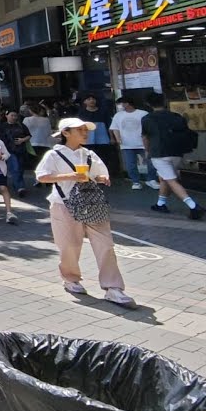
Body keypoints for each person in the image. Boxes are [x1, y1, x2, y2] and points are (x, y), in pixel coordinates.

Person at [35, 117, 136, 307]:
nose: (85, 133)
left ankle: (113, 288)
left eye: (85, 130)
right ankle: (71, 278)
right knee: (69, 245)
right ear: (65, 133)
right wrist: (70, 176)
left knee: (105, 244)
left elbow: (100, 173)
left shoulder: (89, 154)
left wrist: (102, 178)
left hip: (91, 203)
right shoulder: (53, 155)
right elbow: (42, 177)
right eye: (80, 130)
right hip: (63, 204)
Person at [141, 93, 206, 220]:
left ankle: (193, 206)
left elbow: (145, 137)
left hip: (159, 152)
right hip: (177, 152)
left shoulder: (147, 118)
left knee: (171, 180)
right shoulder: (176, 116)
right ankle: (161, 204)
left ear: (148, 104)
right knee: (164, 177)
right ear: (164, 102)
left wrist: (147, 151)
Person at [109, 96, 158, 192]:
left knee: (151, 162)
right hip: (126, 144)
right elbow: (115, 128)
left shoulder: (143, 113)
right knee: (130, 165)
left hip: (143, 143)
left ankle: (151, 179)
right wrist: (118, 139)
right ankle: (136, 181)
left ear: (127, 103)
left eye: (122, 103)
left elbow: (149, 128)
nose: (121, 105)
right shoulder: (118, 115)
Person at [0, 111, 31, 197]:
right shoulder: (2, 126)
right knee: (15, 168)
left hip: (21, 150)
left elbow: (28, 135)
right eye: (12, 115)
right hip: (8, 150)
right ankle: (20, 187)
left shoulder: (21, 125)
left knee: (20, 169)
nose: (14, 117)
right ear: (6, 116)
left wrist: (22, 140)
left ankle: (17, 184)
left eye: (15, 115)